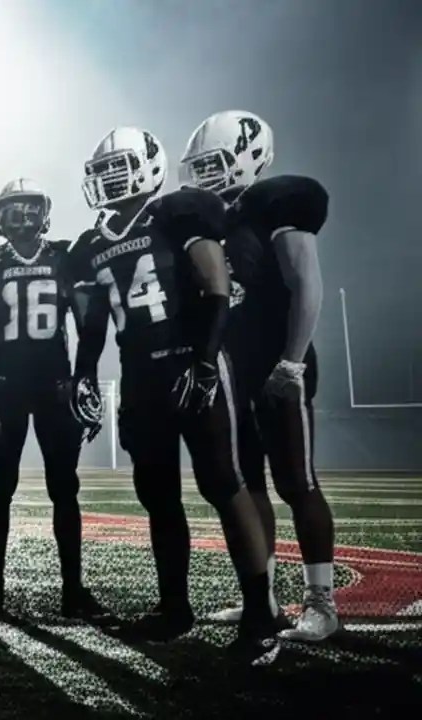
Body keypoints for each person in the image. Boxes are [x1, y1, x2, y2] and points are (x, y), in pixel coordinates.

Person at [70, 126, 280, 663]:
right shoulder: (90, 245)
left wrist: (207, 361)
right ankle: (174, 608)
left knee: (223, 483)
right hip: (140, 374)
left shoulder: (178, 213)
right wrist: (83, 374)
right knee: (157, 494)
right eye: (103, 173)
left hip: (191, 363)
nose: (110, 181)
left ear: (148, 165)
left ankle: (261, 615)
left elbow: (216, 289)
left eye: (119, 168)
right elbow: (93, 325)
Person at [181, 110, 338, 642]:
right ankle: (263, 598)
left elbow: (307, 285)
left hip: (276, 362)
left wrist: (291, 361)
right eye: (198, 166)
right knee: (247, 486)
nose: (205, 175)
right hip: (234, 370)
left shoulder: (276, 202)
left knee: (297, 482)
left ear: (250, 155)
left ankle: (322, 603)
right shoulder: (210, 220)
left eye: (216, 163)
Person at [0, 178, 109, 620]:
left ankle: (73, 591)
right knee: (0, 488)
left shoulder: (65, 257)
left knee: (64, 487)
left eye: (30, 208)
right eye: (14, 209)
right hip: (7, 386)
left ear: (44, 212)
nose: (23, 217)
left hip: (55, 385)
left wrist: (86, 381)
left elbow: (89, 324)